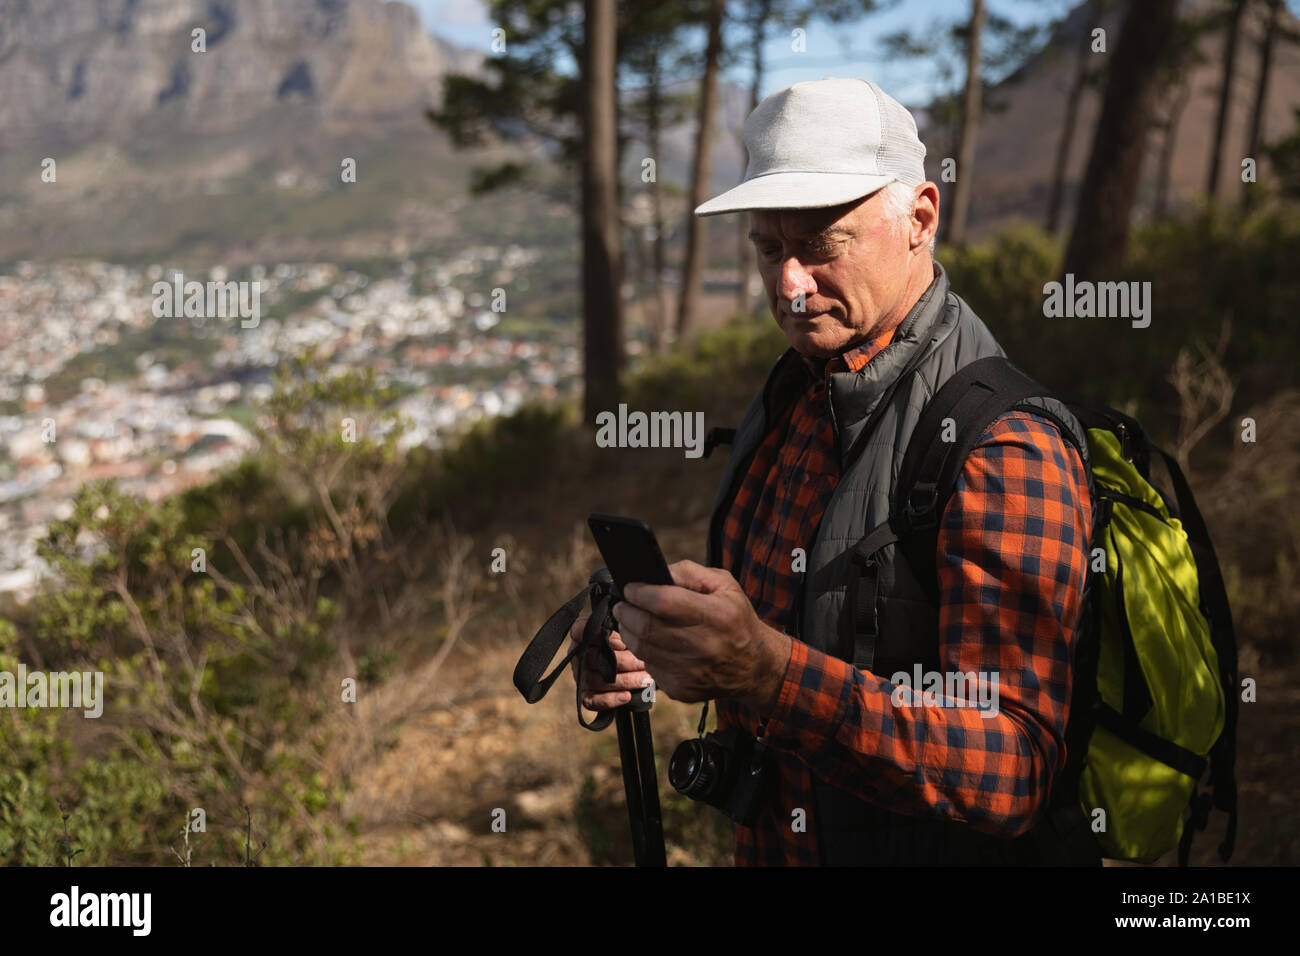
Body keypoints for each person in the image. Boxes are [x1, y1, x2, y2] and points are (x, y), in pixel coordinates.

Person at [570, 77, 1096, 866]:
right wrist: (656, 643)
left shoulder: (1004, 445)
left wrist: (767, 674)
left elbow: (1014, 766)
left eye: (822, 244)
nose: (789, 283)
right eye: (768, 246)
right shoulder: (798, 392)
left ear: (921, 217)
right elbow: (787, 622)